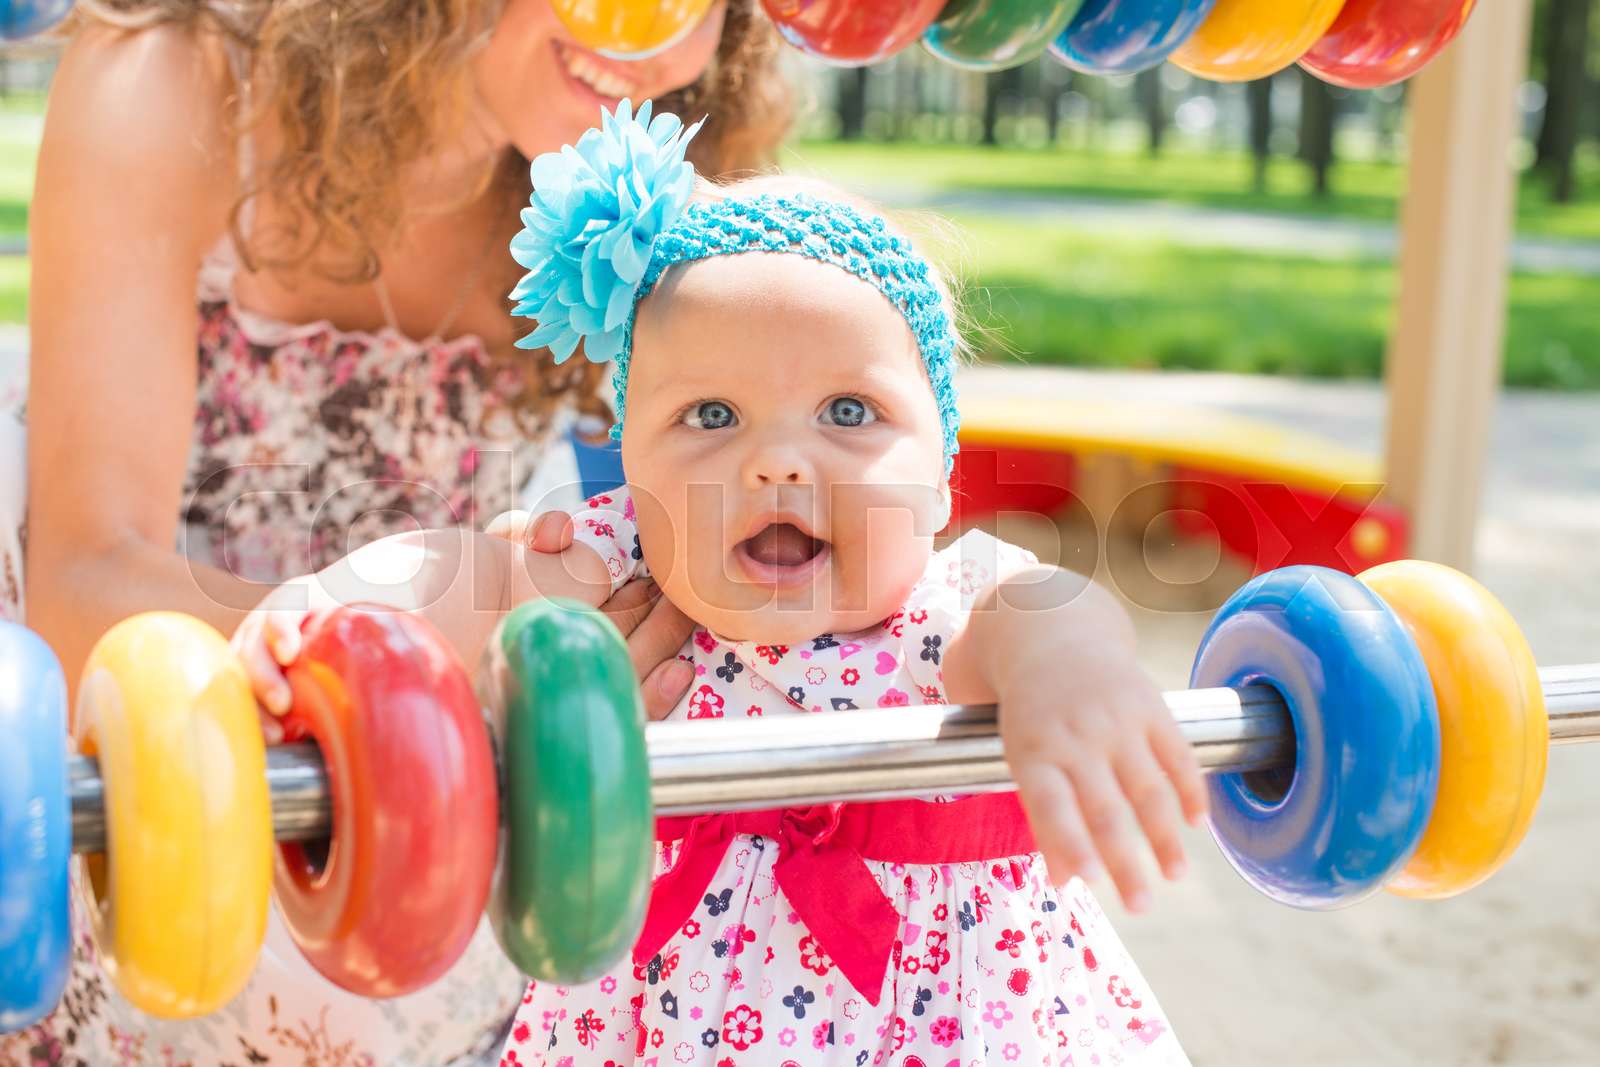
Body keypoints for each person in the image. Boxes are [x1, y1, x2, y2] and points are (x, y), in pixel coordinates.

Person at [250, 100, 1203, 1066]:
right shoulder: (630, 571)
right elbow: (459, 575)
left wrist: (1068, 670)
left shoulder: (953, 611)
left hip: (952, 1026)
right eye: (712, 414)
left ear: (941, 467)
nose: (778, 463)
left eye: (847, 409)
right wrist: (316, 615)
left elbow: (1040, 609)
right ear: (630, 460)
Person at [1, 3, 790, 1064]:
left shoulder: (586, 190)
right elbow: (84, 582)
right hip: (159, 783)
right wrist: (414, 661)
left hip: (436, 828)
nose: (655, 45)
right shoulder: (173, 77)